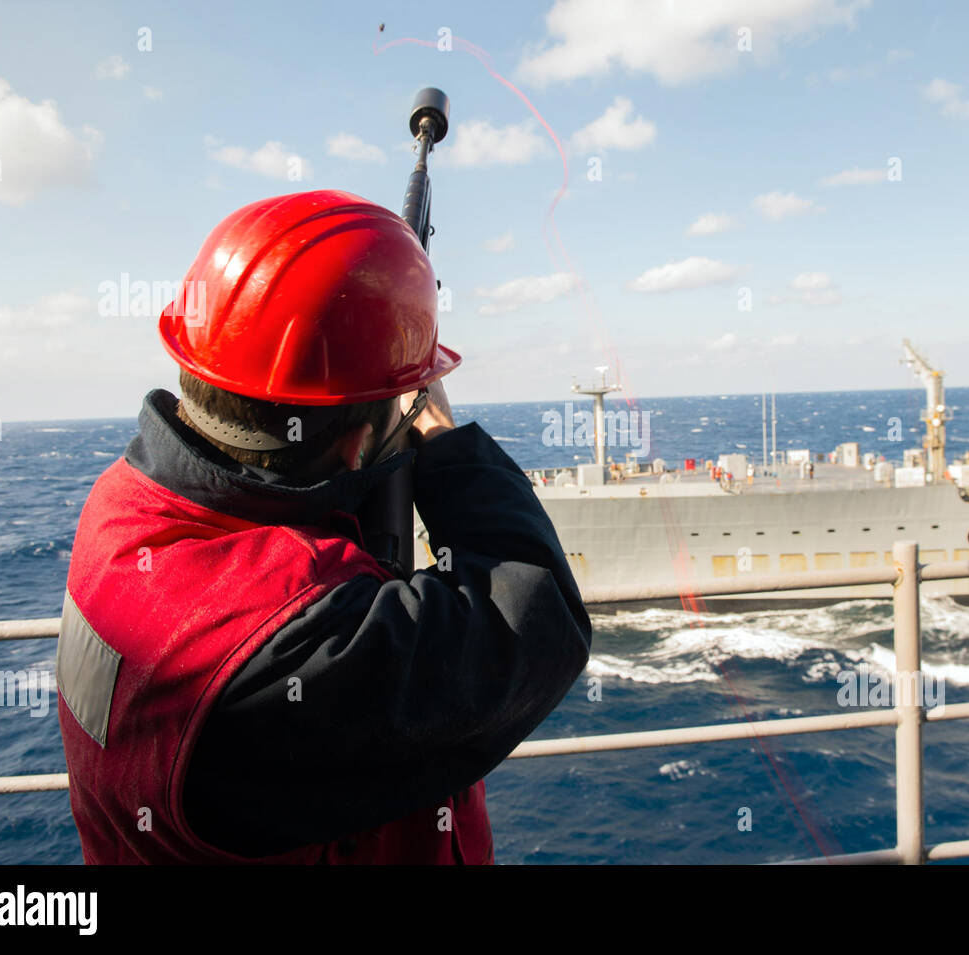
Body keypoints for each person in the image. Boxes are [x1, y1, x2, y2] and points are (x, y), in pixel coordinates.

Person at [55, 190, 592, 864]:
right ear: (349, 447)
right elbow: (538, 620)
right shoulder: (283, 652)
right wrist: (437, 434)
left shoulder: (120, 508)